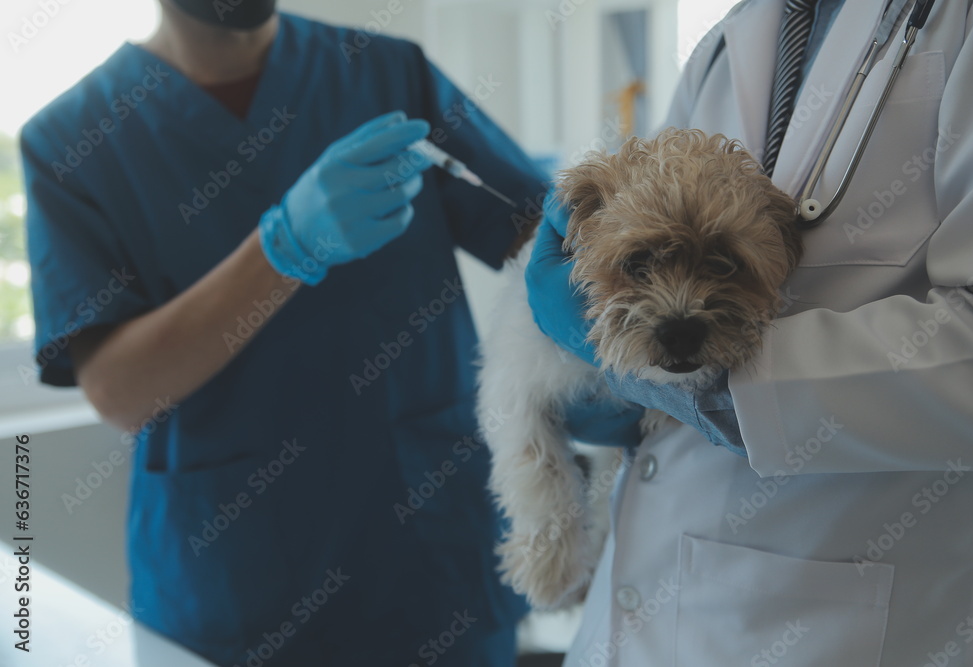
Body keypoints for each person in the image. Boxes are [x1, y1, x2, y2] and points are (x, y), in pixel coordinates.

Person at [19, 1, 575, 664]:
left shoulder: (387, 74)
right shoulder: (71, 142)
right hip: (237, 586)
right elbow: (119, 391)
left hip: (433, 563)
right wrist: (284, 248)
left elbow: (547, 237)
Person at [526, 0, 973, 665]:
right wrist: (616, 381)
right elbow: (634, 239)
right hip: (638, 603)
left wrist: (712, 390)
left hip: (841, 623)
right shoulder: (729, 40)